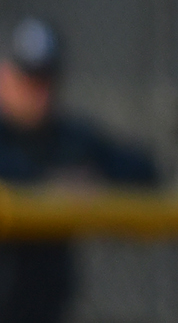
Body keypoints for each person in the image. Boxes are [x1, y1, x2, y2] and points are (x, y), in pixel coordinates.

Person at [0, 17, 161, 323]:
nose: (37, 93)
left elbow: (146, 170)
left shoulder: (67, 139)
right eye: (27, 80)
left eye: (45, 80)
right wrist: (46, 184)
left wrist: (95, 182)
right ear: (4, 76)